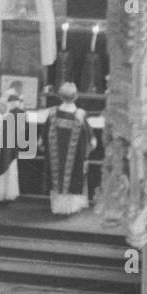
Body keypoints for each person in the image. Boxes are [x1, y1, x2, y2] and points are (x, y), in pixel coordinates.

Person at [44, 81, 95, 215]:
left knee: (57, 177)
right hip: (75, 160)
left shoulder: (52, 113)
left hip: (56, 158)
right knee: (72, 177)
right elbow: (90, 141)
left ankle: (57, 207)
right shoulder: (80, 115)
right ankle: (71, 208)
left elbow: (42, 138)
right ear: (76, 96)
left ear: (60, 96)